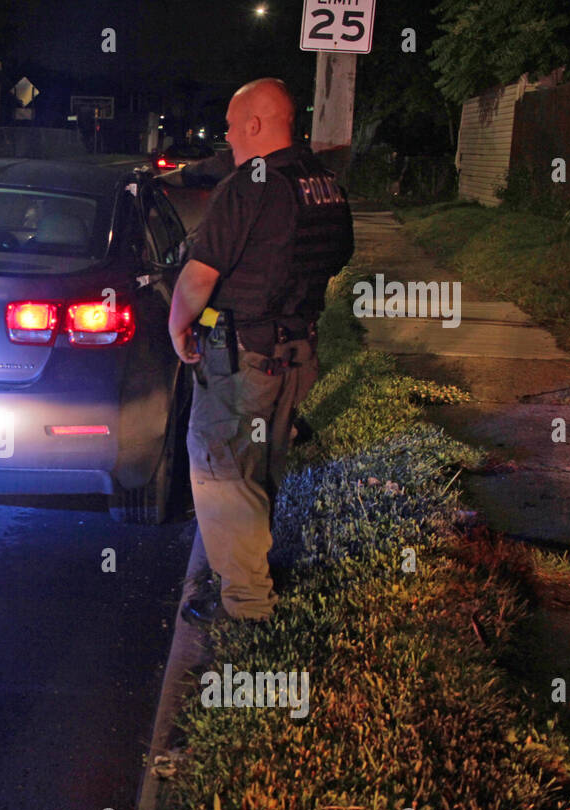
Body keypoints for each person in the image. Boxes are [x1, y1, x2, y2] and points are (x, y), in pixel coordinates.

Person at [167, 78, 354, 626]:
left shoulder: (248, 185)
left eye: (230, 122)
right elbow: (336, 257)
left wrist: (179, 327)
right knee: (261, 464)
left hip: (244, 358)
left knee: (222, 471)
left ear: (254, 124)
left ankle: (246, 608)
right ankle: (254, 575)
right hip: (296, 352)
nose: (225, 133)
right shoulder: (322, 182)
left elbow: (198, 280)